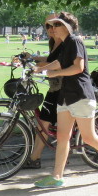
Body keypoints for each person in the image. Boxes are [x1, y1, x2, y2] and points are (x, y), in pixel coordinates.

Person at [34, 13, 98, 188]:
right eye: (52, 25)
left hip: (80, 95)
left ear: (67, 27)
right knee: (62, 137)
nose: (53, 28)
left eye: (57, 25)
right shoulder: (65, 44)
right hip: (65, 96)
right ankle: (57, 177)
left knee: (89, 137)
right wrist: (39, 69)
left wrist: (53, 73)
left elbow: (78, 67)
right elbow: (58, 63)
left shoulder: (75, 41)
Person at [24, 13, 63, 169]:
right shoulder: (54, 42)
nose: (51, 29)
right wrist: (33, 58)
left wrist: (38, 67)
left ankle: (35, 158)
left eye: (55, 25)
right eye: (48, 25)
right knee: (44, 122)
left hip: (62, 89)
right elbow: (50, 59)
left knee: (44, 122)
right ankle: (35, 157)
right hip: (55, 86)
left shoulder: (66, 42)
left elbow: (57, 63)